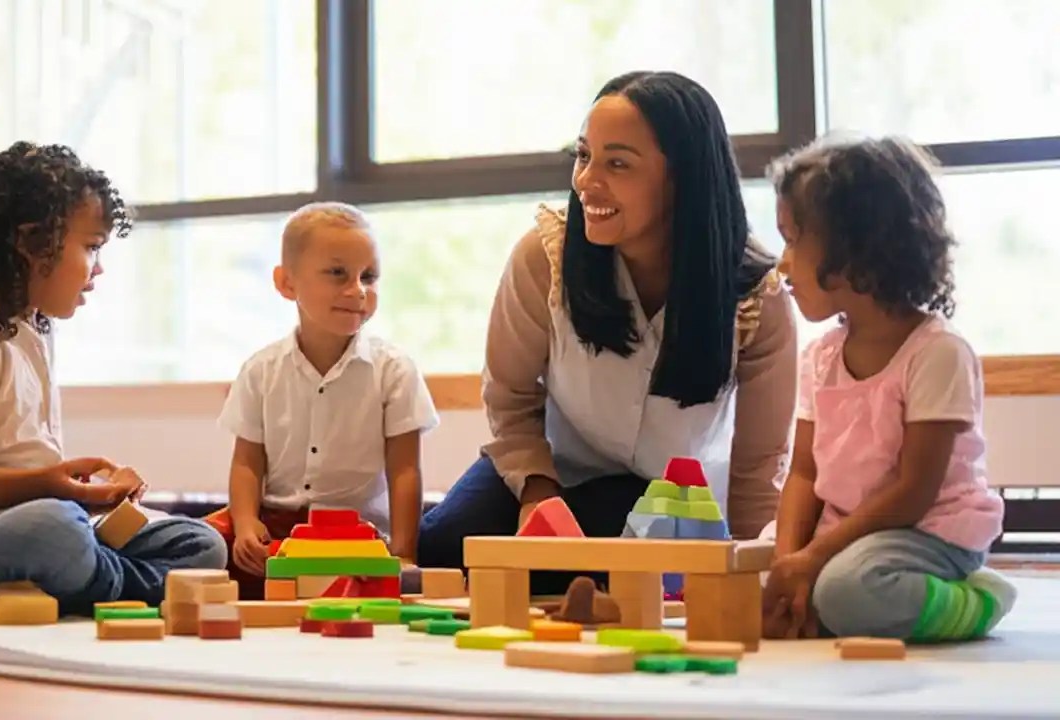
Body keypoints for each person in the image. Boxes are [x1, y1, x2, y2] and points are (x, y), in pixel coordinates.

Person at [417, 70, 798, 592]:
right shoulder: (545, 256)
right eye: (583, 156)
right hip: (553, 468)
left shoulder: (758, 296)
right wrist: (538, 496)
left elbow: (759, 463)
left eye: (617, 163)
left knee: (616, 564)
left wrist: (755, 576)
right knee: (446, 545)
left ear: (683, 177)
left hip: (665, 494)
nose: (586, 181)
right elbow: (509, 398)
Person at [0, 141, 227, 616]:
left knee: (201, 544)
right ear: (33, 243)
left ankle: (88, 576)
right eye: (92, 247)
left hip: (48, 519)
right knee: (56, 529)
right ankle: (111, 579)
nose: (97, 269)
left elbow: (31, 466)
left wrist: (84, 489)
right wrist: (53, 487)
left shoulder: (35, 332)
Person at [760, 135, 1016, 641]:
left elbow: (914, 493)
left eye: (793, 240)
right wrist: (789, 564)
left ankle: (977, 599)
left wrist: (814, 561)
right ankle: (824, 598)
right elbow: (805, 472)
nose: (782, 264)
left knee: (845, 590)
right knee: (747, 578)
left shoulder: (937, 354)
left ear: (854, 251)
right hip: (845, 534)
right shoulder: (821, 357)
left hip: (928, 532)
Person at [207, 202, 440, 599]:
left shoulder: (394, 370)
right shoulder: (260, 370)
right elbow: (247, 462)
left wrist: (403, 555)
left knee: (356, 578)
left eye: (368, 276)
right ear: (286, 284)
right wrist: (245, 524)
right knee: (200, 544)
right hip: (275, 526)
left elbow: (405, 471)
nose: (357, 290)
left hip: (357, 531)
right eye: (337, 273)